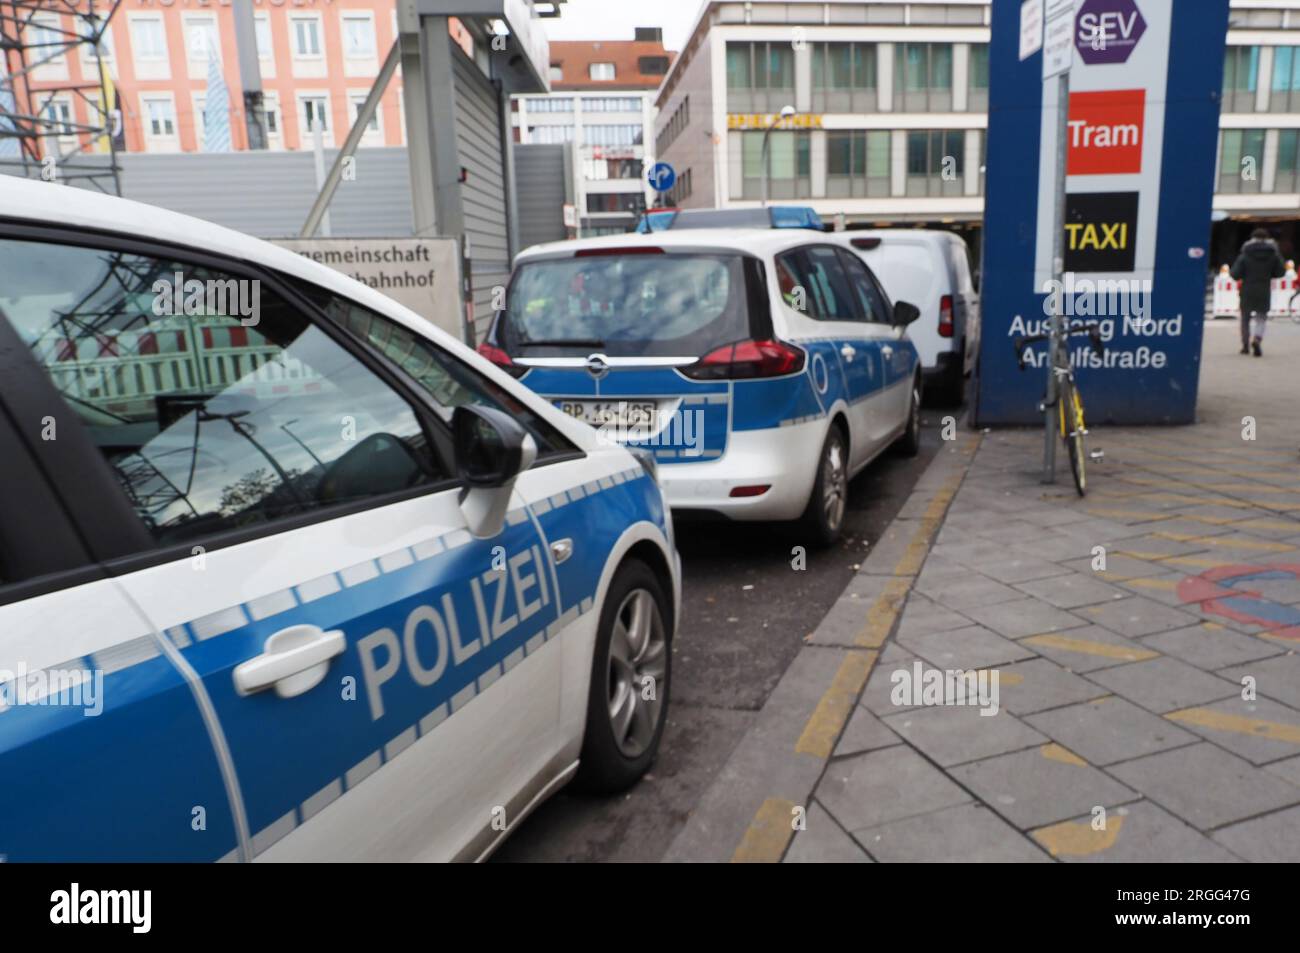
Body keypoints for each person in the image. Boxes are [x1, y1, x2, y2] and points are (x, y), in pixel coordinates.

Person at [1231, 227, 1286, 356]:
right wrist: (1270, 273)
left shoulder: (1245, 253)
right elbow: (1281, 272)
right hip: (1264, 289)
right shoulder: (1273, 253)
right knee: (1261, 317)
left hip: (1247, 289)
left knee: (1245, 318)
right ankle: (1257, 339)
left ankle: (1245, 345)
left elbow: (1234, 274)